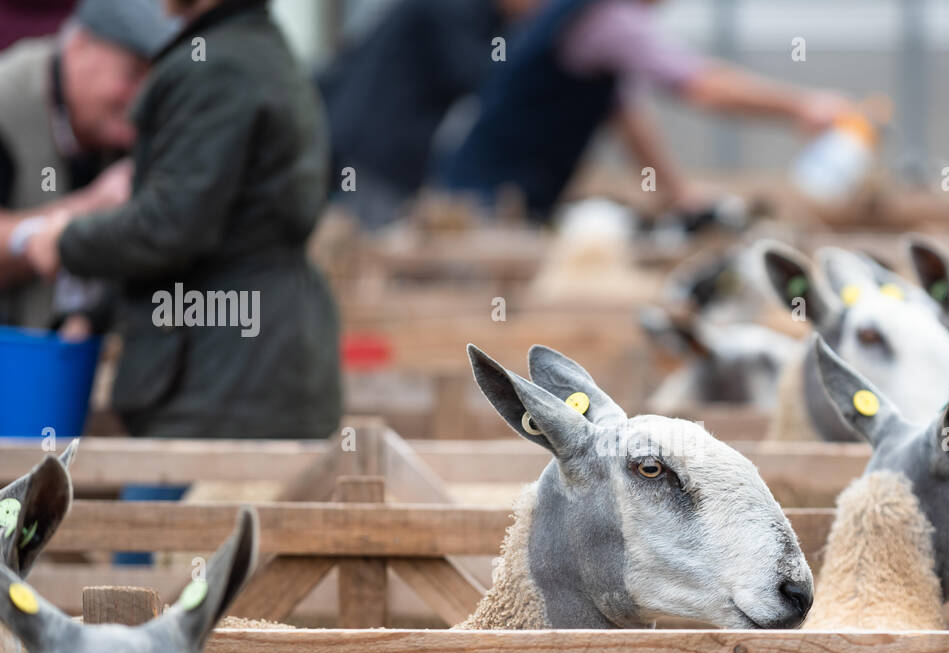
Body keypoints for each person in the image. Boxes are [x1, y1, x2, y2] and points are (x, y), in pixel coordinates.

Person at [24, 0, 341, 440]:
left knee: (163, 508)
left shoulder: (213, 67)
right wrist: (95, 313)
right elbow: (213, 225)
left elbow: (169, 227)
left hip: (218, 385)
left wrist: (64, 241)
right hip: (255, 369)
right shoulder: (256, 51)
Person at [439, 0, 866, 221]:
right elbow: (703, 86)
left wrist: (677, 193)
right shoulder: (608, 19)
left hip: (494, 196)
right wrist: (803, 106)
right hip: (488, 204)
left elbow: (627, 115)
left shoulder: (588, 18)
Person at [0, 0, 172, 334]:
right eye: (133, 74)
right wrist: (93, 207)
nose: (143, 101)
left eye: (157, 84)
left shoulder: (139, 130)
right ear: (80, 46)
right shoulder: (8, 104)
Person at [319, 0, 541, 228]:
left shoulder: (475, 17)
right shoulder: (458, 10)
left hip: (372, 141)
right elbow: (480, 74)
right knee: (367, 238)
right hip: (376, 148)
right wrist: (528, 42)